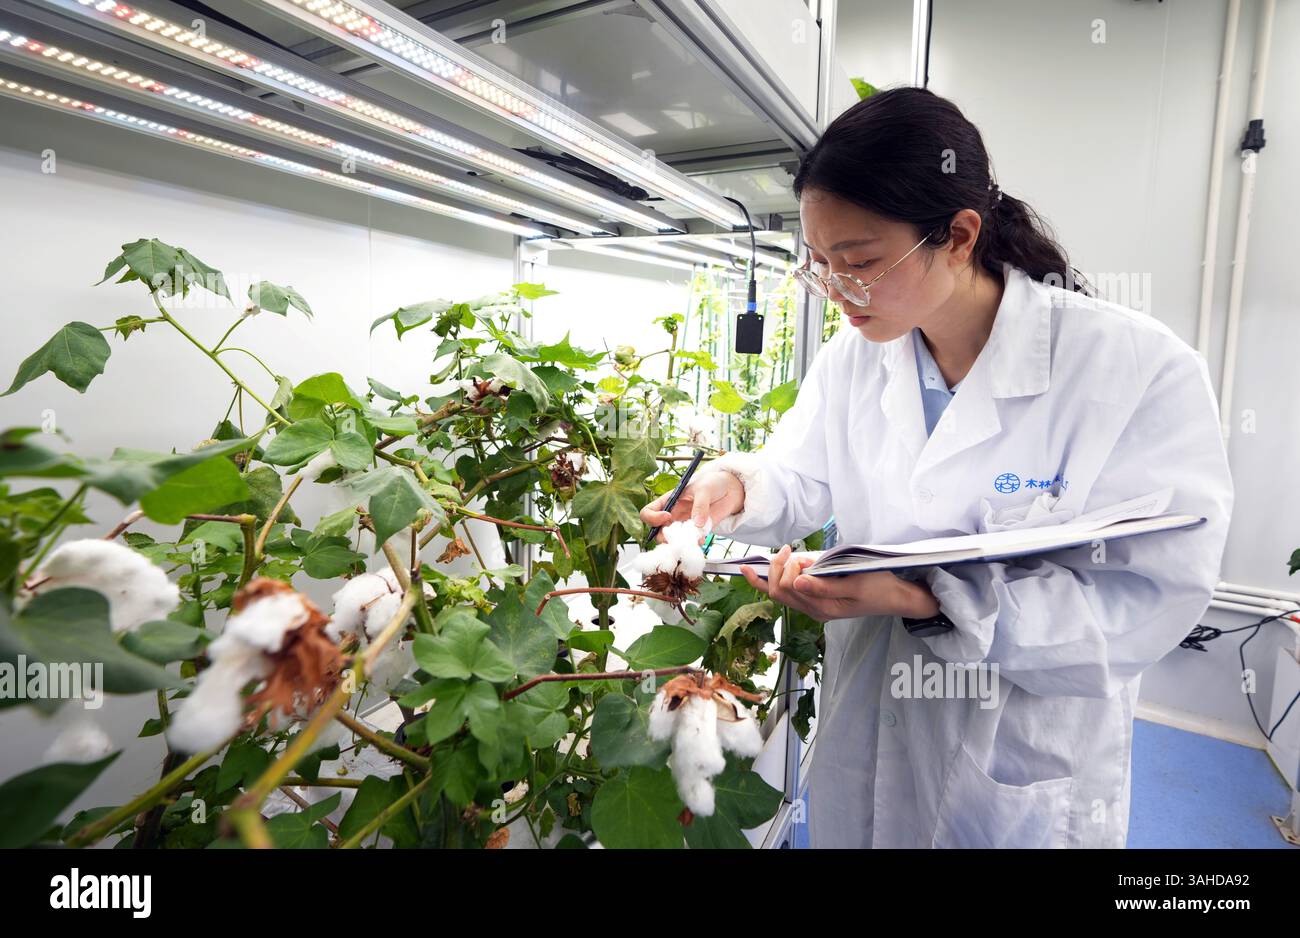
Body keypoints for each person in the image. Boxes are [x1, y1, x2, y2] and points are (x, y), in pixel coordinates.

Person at [638, 87, 1233, 848]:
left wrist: (930, 602)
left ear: (958, 235)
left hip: (1013, 754)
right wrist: (734, 489)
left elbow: (1146, 599)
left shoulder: (1134, 370)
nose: (835, 290)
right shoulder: (859, 358)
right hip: (868, 725)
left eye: (858, 262)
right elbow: (802, 471)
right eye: (818, 263)